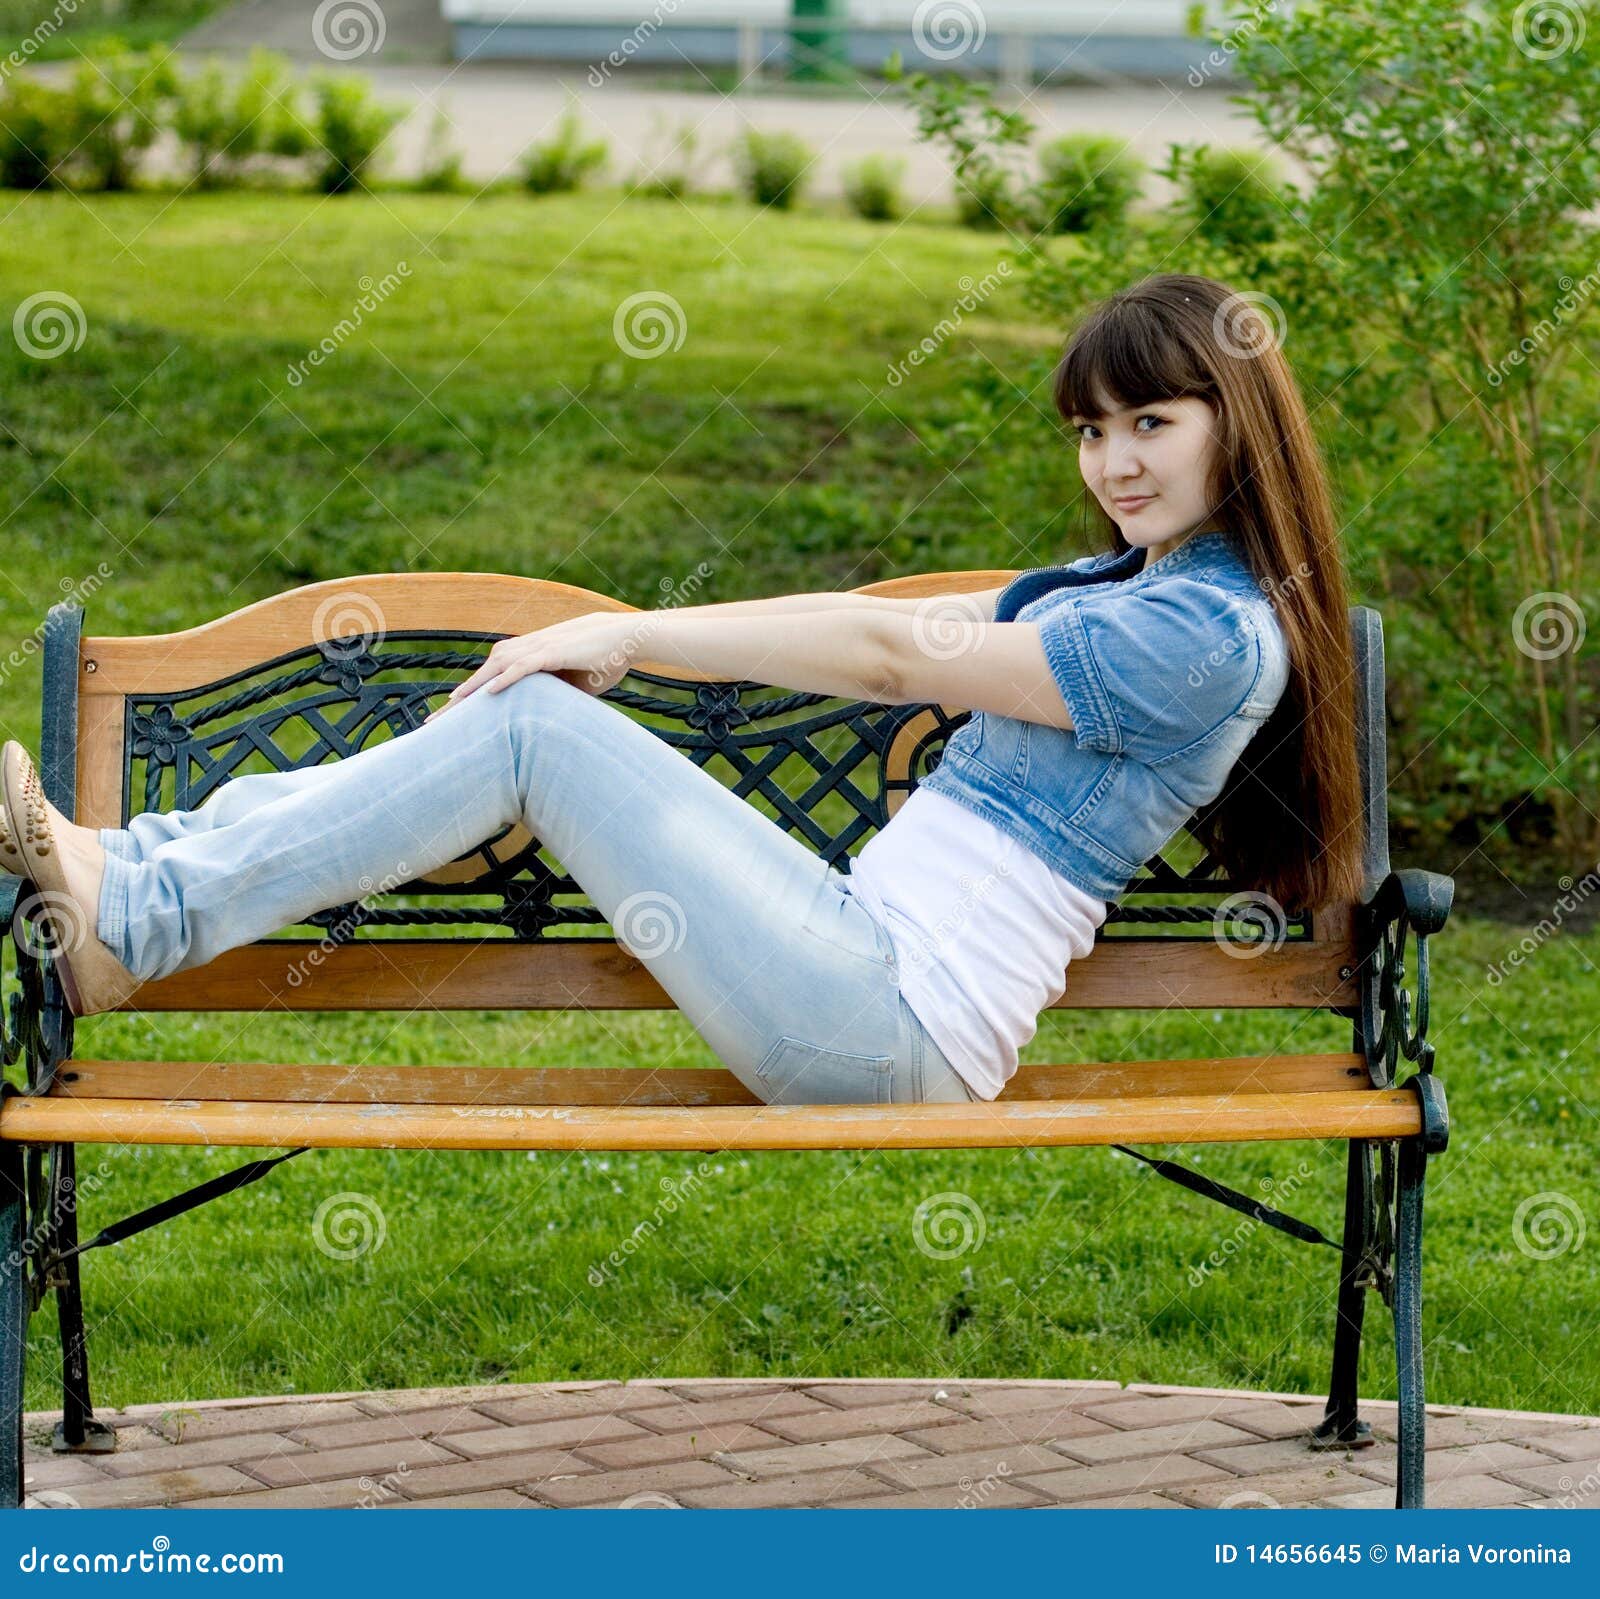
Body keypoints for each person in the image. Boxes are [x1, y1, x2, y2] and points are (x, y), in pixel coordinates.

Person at [0, 272, 1363, 1106]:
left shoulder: (1205, 636)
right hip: (856, 957)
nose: (1113, 462)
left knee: (539, 724)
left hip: (889, 1027)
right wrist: (638, 627)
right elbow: (884, 621)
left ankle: (142, 911)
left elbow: (895, 662)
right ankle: (139, 884)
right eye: (1090, 430)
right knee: (539, 718)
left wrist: (628, 637)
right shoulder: (1128, 592)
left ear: (1231, 423)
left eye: (1149, 424)